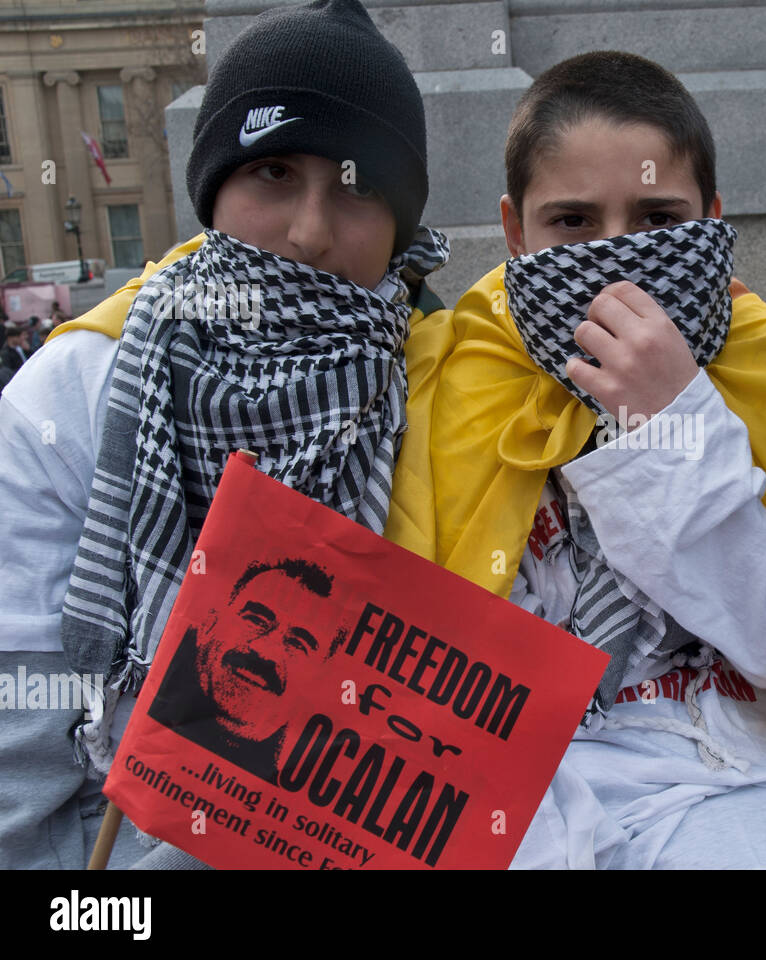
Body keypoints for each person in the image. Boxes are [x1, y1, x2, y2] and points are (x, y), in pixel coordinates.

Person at [0, 0, 450, 869]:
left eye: (357, 187)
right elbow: (21, 733)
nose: (310, 234)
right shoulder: (74, 390)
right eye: (274, 173)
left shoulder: (453, 390)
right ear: (212, 190)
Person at [391, 50, 766, 868]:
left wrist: (670, 416)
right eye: (573, 222)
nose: (616, 254)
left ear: (712, 216)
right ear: (513, 230)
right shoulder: (455, 363)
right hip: (492, 769)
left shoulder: (765, 359)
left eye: (657, 220)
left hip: (717, 769)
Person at [147, 557, 349, 784]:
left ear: (319, 681)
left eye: (298, 644)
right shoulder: (147, 726)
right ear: (209, 624)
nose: (265, 652)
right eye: (256, 619)